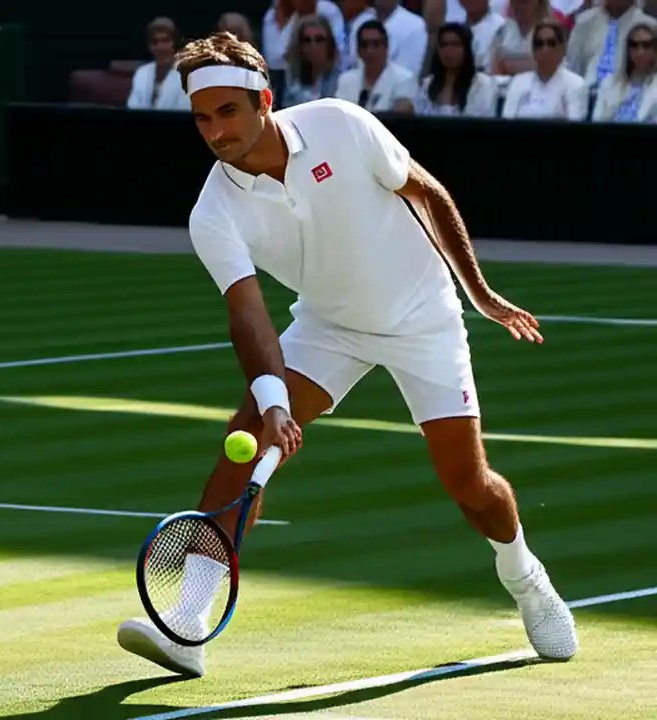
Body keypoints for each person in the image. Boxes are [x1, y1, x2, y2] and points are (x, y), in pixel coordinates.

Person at [115, 29, 577, 678]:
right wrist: (273, 404)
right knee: (243, 435)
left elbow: (426, 191)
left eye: (227, 113)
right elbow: (247, 314)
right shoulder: (211, 212)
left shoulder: (341, 124)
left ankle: (525, 576)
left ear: (264, 101)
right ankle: (189, 626)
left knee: (468, 485)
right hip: (330, 325)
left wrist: (478, 293)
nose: (215, 131)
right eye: (201, 118)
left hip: (423, 319)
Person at [127, 17, 192, 112]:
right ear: (150, 47)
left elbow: (184, 111)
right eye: (155, 42)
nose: (160, 46)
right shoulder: (142, 72)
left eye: (165, 41)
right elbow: (132, 107)